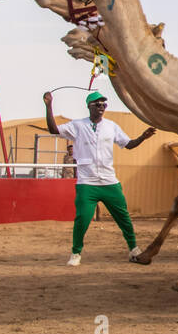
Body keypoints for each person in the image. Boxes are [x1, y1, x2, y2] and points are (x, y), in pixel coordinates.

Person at [44, 90, 154, 266]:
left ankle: (134, 250)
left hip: (109, 181)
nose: (102, 107)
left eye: (104, 104)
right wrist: (49, 106)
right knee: (83, 218)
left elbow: (129, 144)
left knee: (123, 217)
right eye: (98, 104)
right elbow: (53, 129)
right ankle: (76, 253)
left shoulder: (111, 126)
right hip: (87, 183)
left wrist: (143, 137)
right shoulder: (78, 126)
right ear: (89, 106)